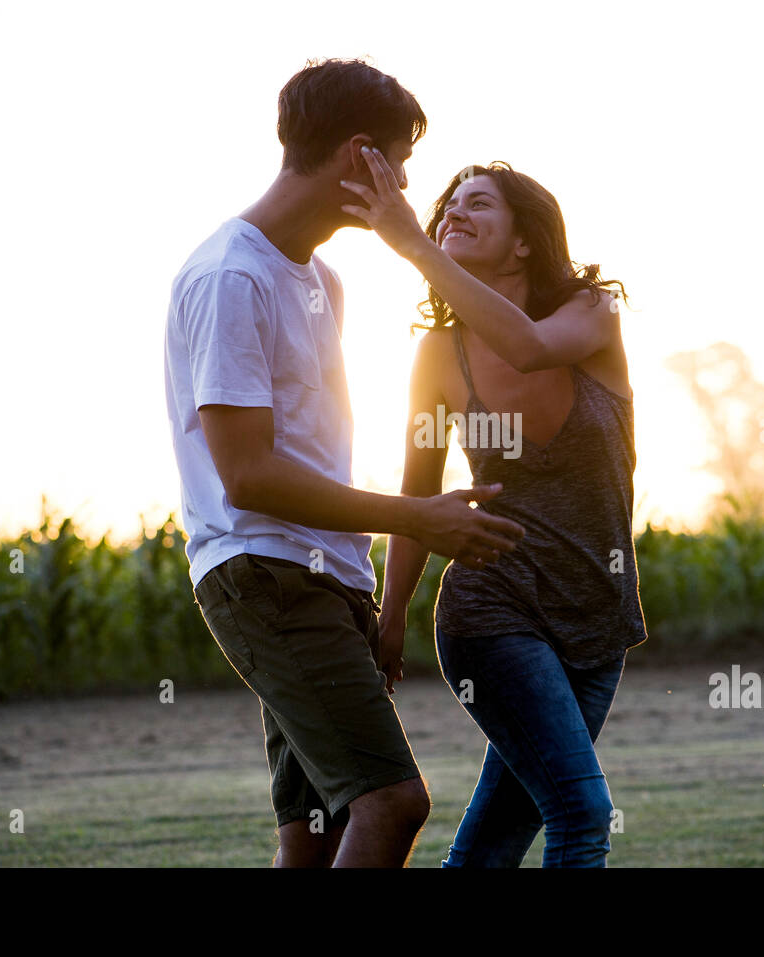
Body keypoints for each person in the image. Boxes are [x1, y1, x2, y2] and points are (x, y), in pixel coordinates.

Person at [163, 59, 525, 868]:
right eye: (398, 161)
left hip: (323, 579)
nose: (404, 184)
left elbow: (307, 455)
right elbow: (247, 476)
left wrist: (374, 599)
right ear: (360, 155)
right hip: (266, 577)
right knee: (394, 802)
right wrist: (414, 517)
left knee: (317, 830)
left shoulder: (321, 277)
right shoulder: (231, 275)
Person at [343, 155, 648, 866]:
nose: (453, 211)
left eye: (477, 203)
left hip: (598, 616)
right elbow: (418, 495)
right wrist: (391, 621)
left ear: (524, 242)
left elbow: (531, 346)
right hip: (492, 609)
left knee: (495, 842)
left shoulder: (590, 314)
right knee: (581, 812)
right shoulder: (438, 356)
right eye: (448, 203)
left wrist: (412, 245)